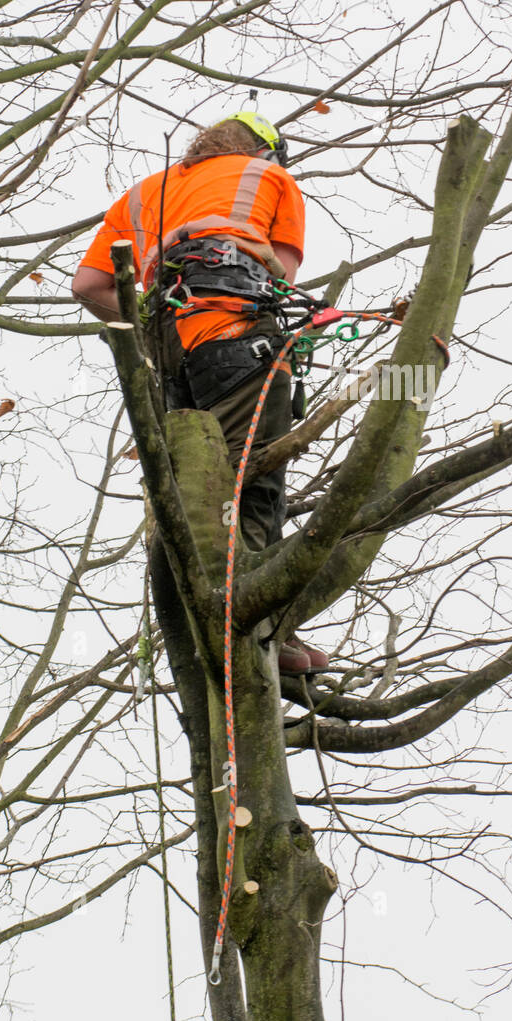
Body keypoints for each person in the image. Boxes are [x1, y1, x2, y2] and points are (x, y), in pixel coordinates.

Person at [71, 110, 328, 676]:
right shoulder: (271, 178)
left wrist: (145, 317)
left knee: (196, 482)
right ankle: (260, 628)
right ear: (267, 151)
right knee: (248, 479)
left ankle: (205, 611)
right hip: (234, 334)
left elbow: (87, 287)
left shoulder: (144, 194)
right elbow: (277, 279)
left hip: (168, 351)